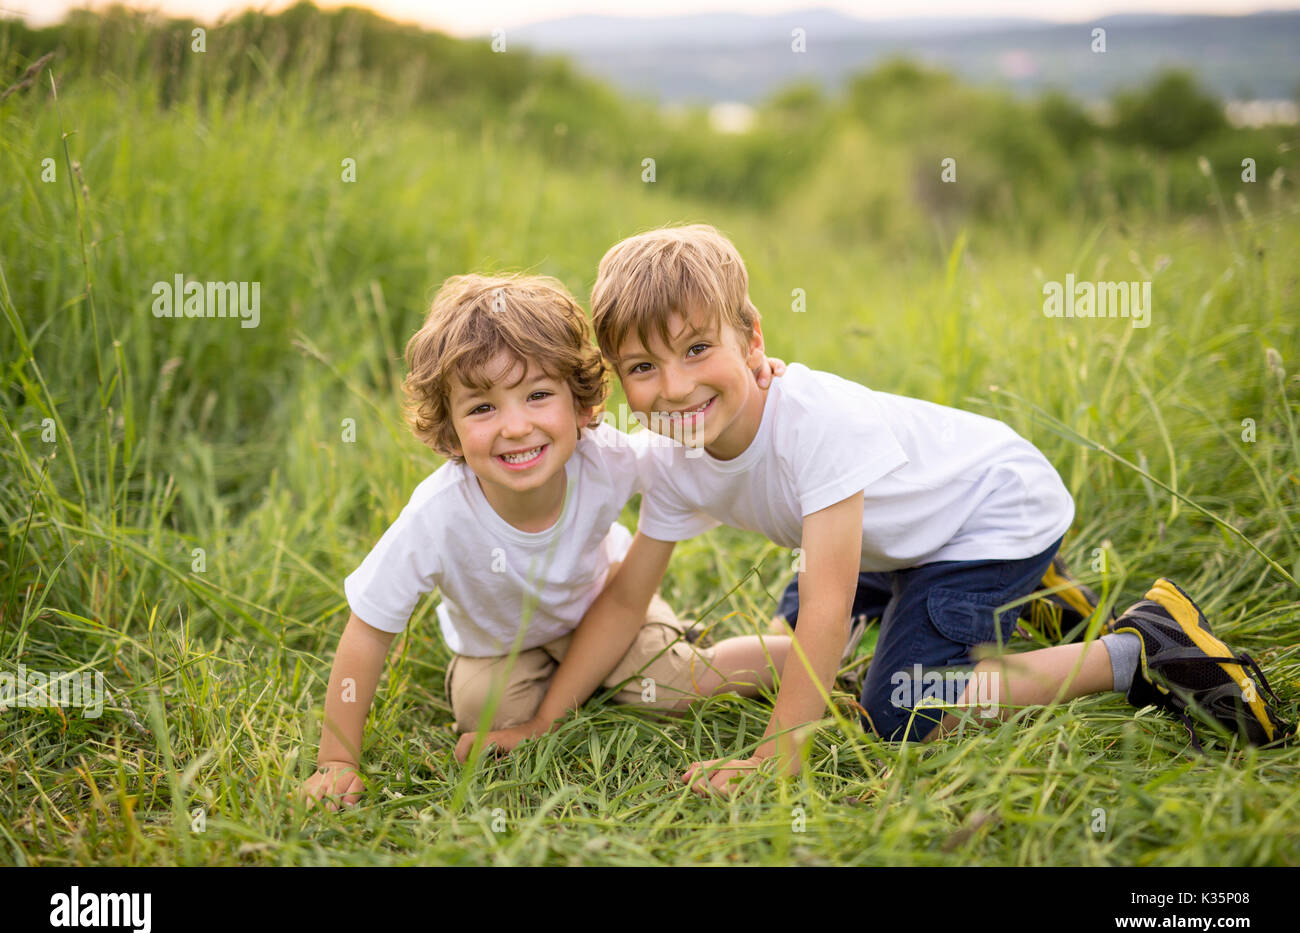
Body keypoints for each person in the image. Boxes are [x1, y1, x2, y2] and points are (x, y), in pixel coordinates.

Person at [458, 224, 1292, 796]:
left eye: (698, 349)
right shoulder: (675, 457)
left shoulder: (814, 424)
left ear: (752, 339)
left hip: (990, 516)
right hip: (897, 546)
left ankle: (1141, 648)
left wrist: (782, 750)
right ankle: (1029, 603)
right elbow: (629, 598)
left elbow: (829, 599)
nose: (673, 385)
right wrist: (544, 721)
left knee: (900, 706)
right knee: (804, 646)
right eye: (641, 367)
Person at [298, 272, 790, 809]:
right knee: (487, 717)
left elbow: (694, 442)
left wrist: (754, 387)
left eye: (537, 396)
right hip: (503, 644)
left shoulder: (606, 459)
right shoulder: (437, 517)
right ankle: (586, 681)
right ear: (449, 428)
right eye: (483, 407)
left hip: (608, 610)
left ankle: (800, 656)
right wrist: (337, 761)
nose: (515, 426)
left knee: (674, 688)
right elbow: (368, 632)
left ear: (581, 407)